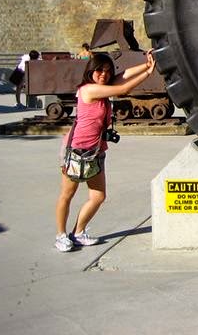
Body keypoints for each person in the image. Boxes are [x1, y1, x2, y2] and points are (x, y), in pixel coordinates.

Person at [54, 50, 155, 252]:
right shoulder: (88, 90)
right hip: (77, 150)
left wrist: (147, 63)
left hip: (96, 150)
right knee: (67, 194)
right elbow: (124, 88)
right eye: (99, 70)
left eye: (107, 71)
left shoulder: (102, 86)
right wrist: (149, 73)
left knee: (98, 197)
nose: (104, 74)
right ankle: (61, 235)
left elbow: (123, 75)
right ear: (90, 71)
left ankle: (78, 232)